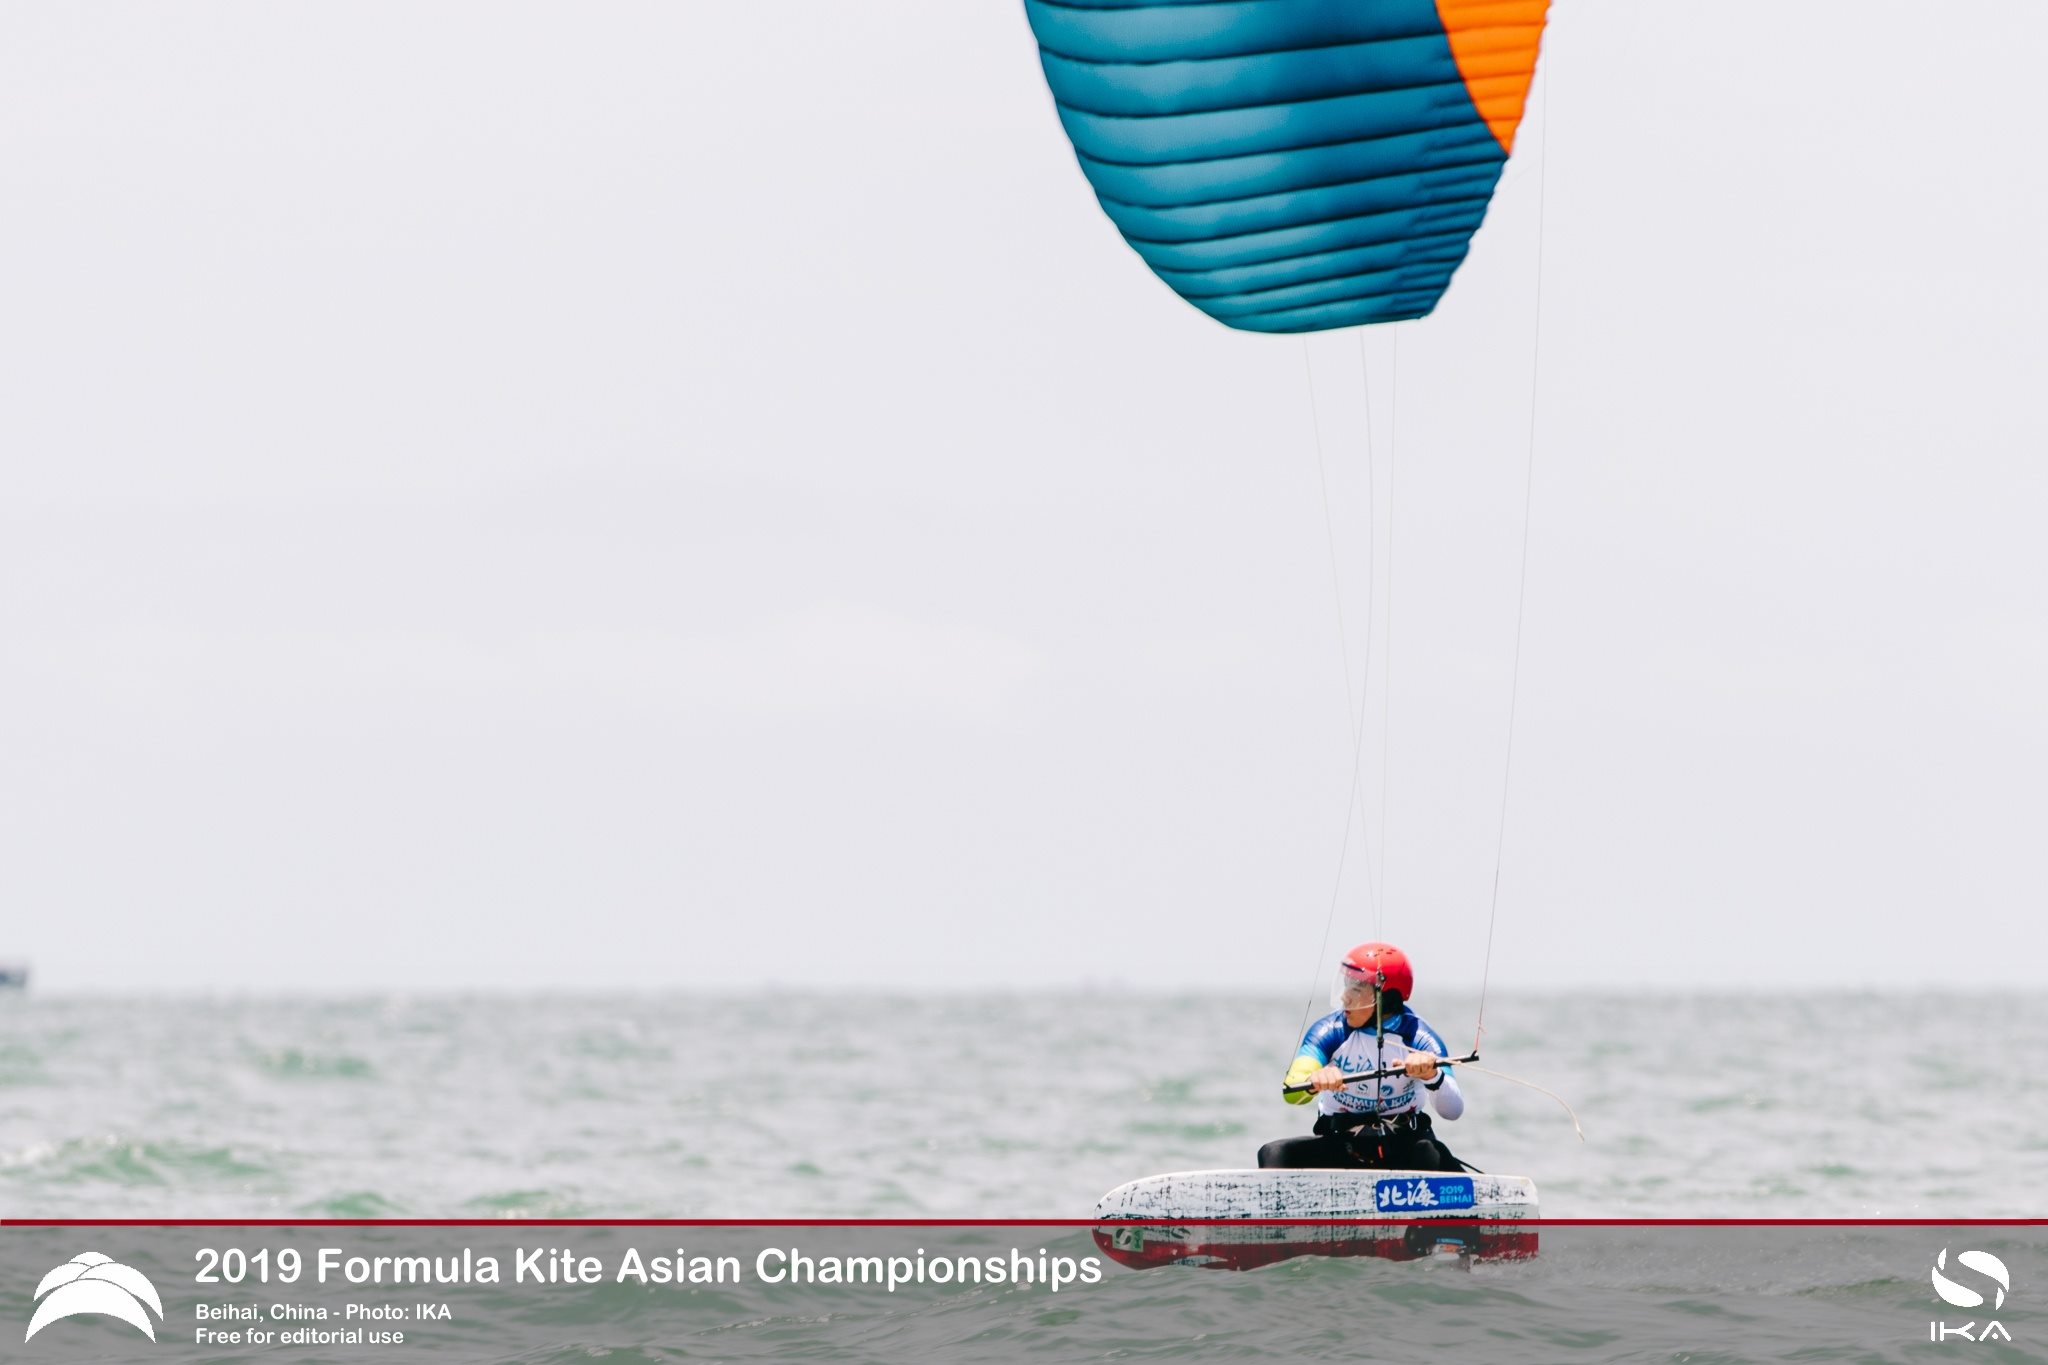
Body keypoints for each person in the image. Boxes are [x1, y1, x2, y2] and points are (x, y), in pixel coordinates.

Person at [1257, 941, 1472, 1172]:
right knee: (1273, 1153)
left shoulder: (1419, 1037)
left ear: (1386, 997)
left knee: (1429, 1152)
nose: (1344, 998)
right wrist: (1313, 1082)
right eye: (1346, 986)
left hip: (1403, 1148)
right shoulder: (1330, 1031)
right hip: (1341, 1146)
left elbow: (1453, 1111)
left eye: (1356, 990)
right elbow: (1291, 1092)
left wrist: (1432, 1075)